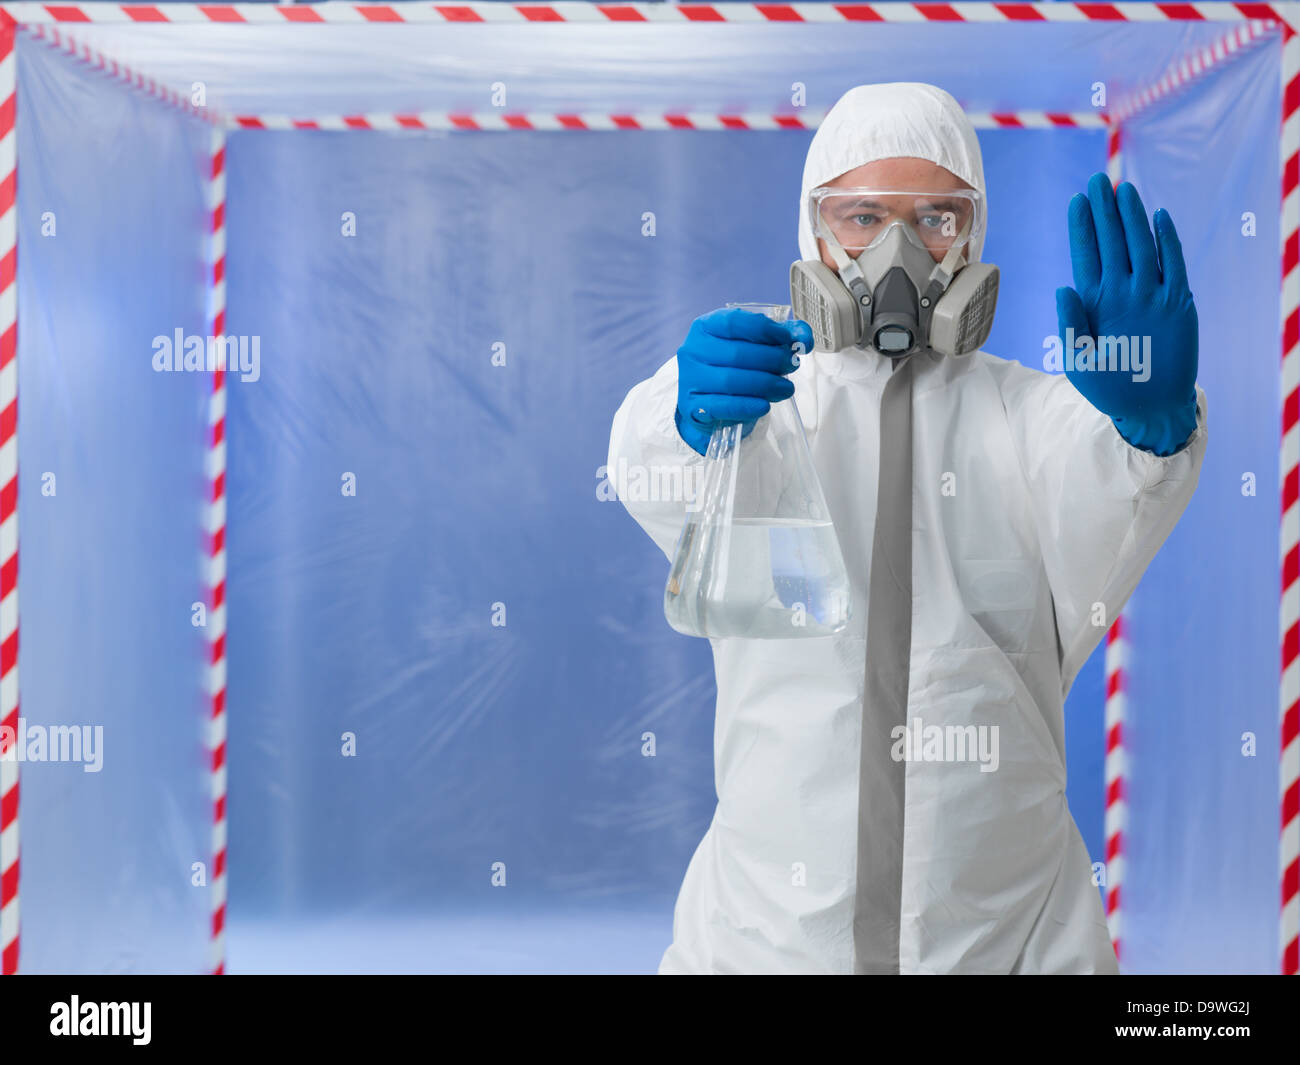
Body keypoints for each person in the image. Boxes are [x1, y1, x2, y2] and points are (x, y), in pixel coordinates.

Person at [607, 83, 1205, 974]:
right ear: (812, 232)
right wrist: (688, 419)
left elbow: (1115, 485)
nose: (897, 251)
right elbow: (650, 468)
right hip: (764, 936)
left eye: (936, 217)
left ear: (973, 233)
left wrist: (1150, 417)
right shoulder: (762, 405)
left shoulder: (1030, 416)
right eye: (860, 217)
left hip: (1011, 937)